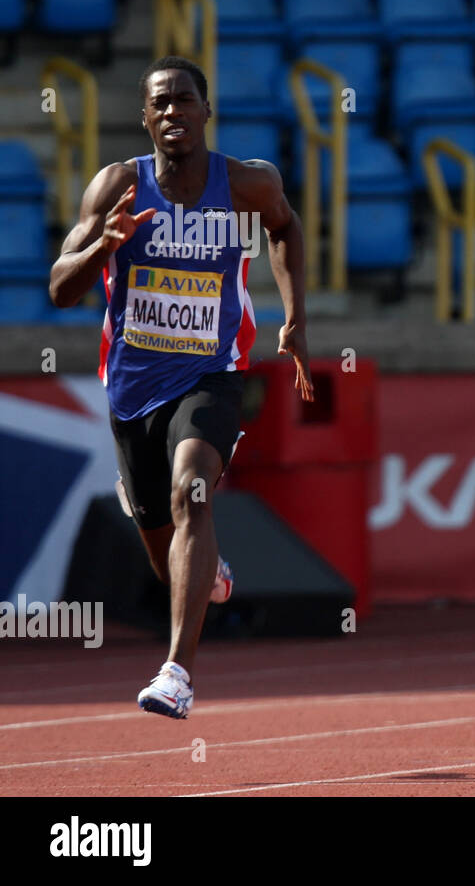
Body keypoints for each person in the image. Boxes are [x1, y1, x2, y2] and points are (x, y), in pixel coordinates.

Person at [48, 56, 314, 719]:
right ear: (144, 118)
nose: (172, 113)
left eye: (184, 101)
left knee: (191, 489)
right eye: (159, 104)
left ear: (205, 112)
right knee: (161, 534)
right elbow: (60, 286)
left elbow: (285, 226)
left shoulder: (248, 183)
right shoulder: (118, 186)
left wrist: (295, 317)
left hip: (212, 374)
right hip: (133, 387)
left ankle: (177, 673)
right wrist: (102, 247)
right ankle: (208, 573)